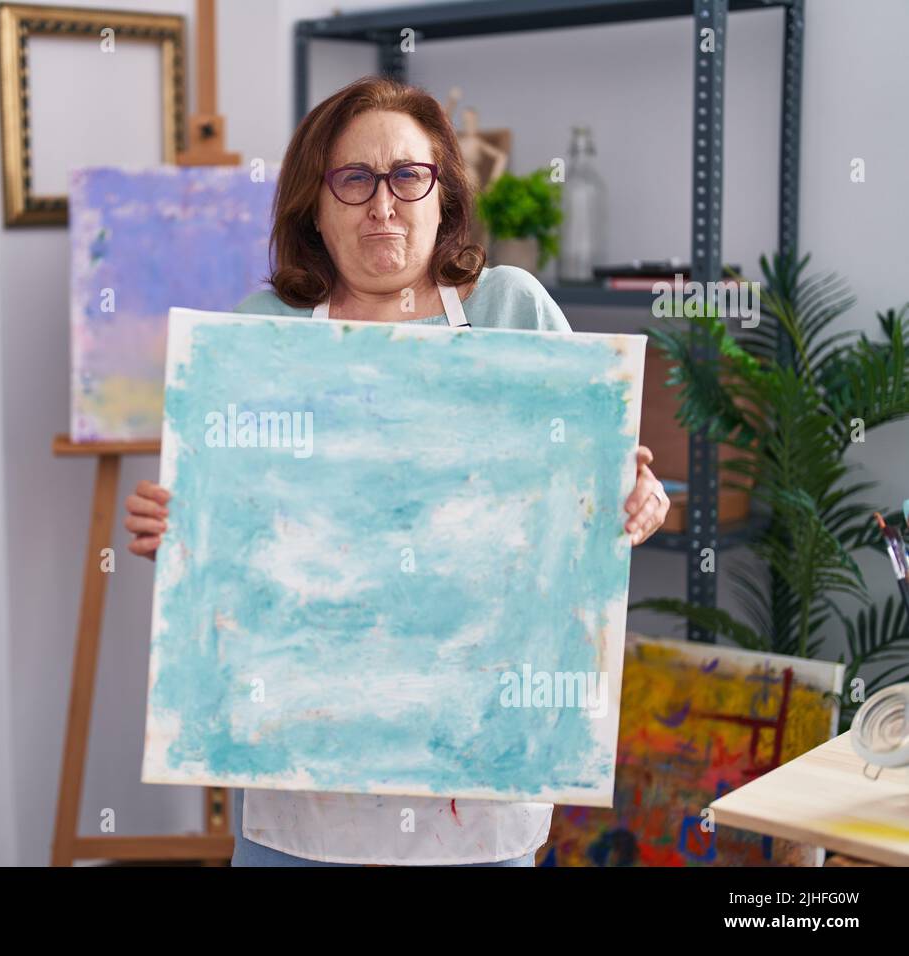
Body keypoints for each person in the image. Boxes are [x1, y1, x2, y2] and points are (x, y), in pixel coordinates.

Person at [125, 76, 669, 867]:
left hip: (482, 786)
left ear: (442, 195)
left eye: (408, 176)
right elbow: (226, 552)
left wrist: (637, 497)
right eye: (354, 180)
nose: (383, 205)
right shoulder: (258, 334)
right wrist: (174, 529)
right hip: (302, 782)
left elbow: (594, 493)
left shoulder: (511, 310)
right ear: (315, 203)